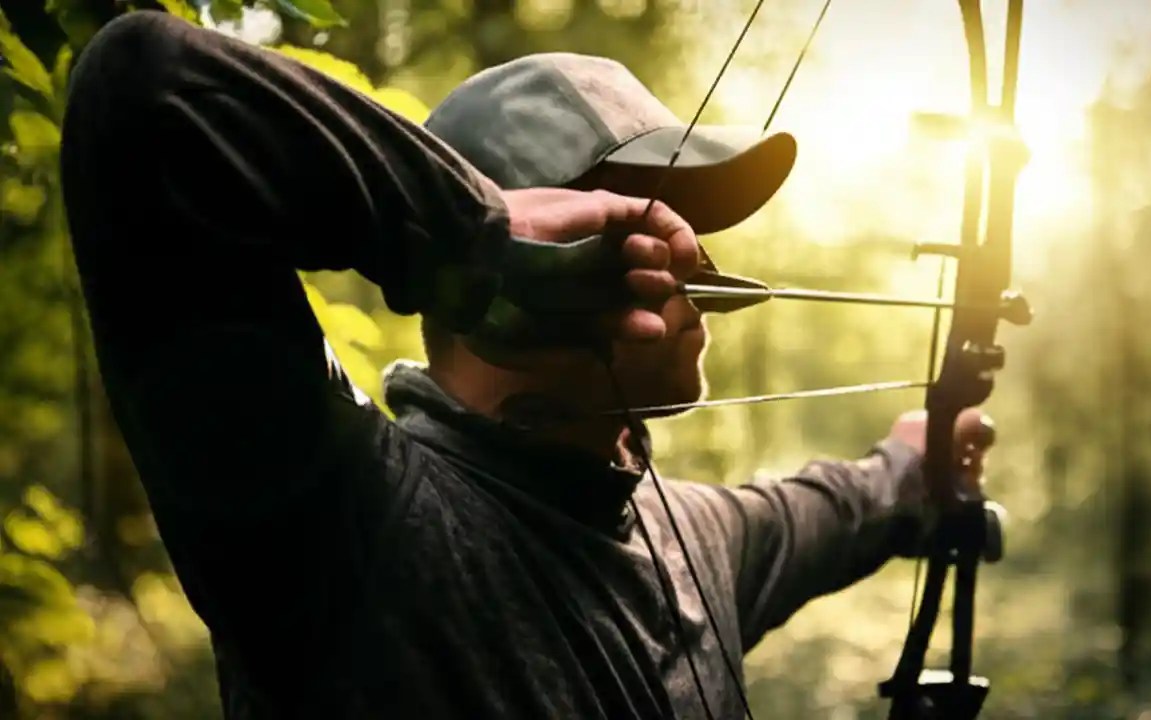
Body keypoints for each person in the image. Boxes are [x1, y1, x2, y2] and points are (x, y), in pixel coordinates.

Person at [60, 10, 992, 720]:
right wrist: (473, 235)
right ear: (527, 264)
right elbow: (146, 97)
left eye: (690, 228)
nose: (693, 259)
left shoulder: (683, 534)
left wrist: (918, 462)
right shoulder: (338, 524)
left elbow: (838, 504)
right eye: (633, 224)